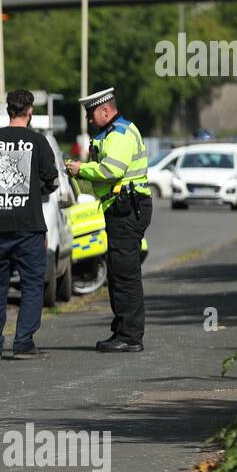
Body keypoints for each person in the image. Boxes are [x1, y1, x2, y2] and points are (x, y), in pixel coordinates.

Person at [0, 88, 60, 360]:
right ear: (29, 112)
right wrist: (33, 191)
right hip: (29, 226)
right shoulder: (38, 142)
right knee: (32, 285)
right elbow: (53, 182)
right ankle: (23, 343)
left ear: (8, 110)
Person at [66, 87, 152, 353]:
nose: (90, 120)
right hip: (122, 209)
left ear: (106, 110)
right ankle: (123, 330)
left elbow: (111, 170)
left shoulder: (120, 134)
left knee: (125, 274)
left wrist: (81, 169)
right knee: (119, 272)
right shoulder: (113, 133)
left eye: (92, 114)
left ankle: (130, 336)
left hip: (127, 210)